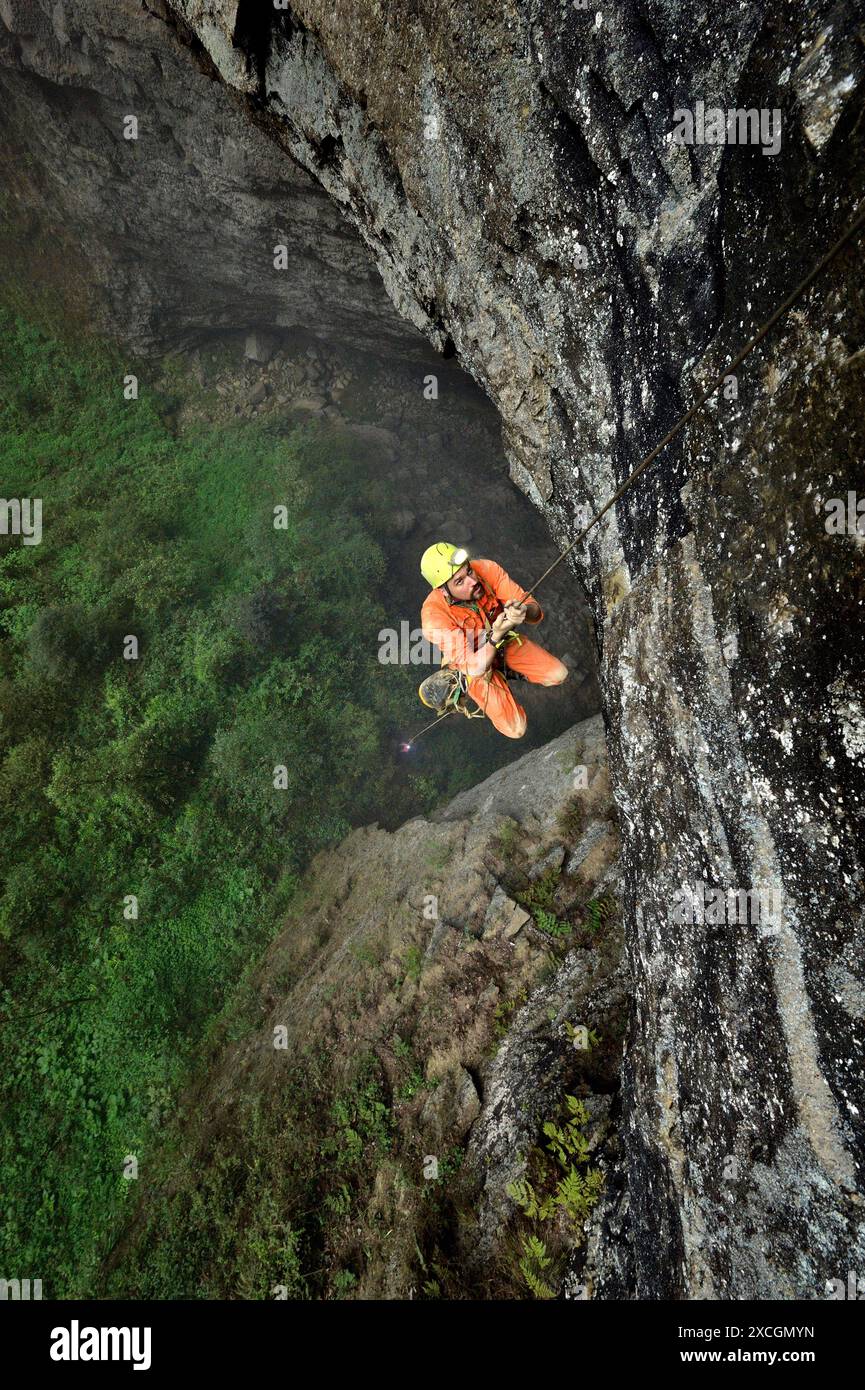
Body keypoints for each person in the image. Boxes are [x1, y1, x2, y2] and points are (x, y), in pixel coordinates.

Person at [419, 542, 569, 738]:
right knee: (516, 729)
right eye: (459, 582)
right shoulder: (434, 616)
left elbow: (534, 611)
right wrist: (497, 634)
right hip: (473, 666)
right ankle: (487, 679)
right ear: (443, 591)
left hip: (503, 642)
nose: (472, 582)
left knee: (559, 673)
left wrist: (523, 610)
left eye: (469, 572)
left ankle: (507, 669)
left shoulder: (487, 569)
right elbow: (474, 667)